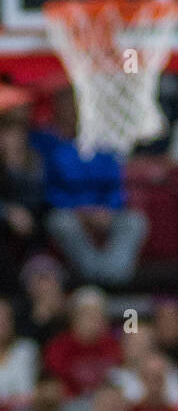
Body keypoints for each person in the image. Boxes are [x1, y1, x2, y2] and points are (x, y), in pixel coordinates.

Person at [33, 87, 148, 286]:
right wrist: (81, 211)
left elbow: (115, 185)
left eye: (78, 104)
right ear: (57, 107)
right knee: (60, 223)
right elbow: (47, 188)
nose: (74, 109)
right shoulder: (44, 141)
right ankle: (97, 277)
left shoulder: (102, 143)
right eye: (68, 104)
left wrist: (108, 210)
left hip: (104, 212)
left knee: (135, 221)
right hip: (67, 212)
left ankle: (114, 275)